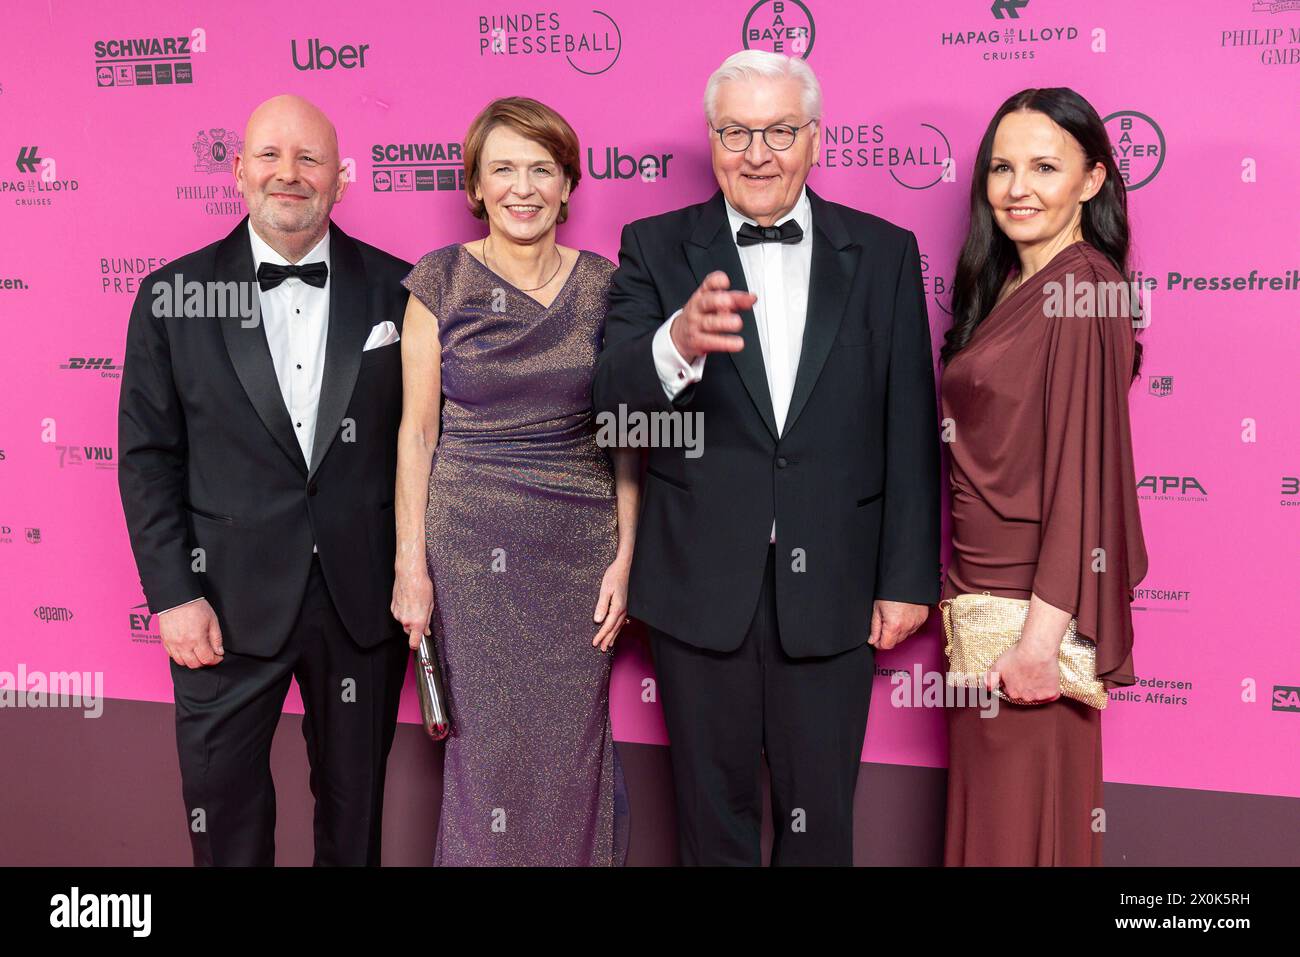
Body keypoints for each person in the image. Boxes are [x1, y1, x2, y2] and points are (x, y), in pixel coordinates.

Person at [592, 51, 940, 866]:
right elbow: (611, 408)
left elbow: (909, 425)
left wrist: (905, 576)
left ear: (815, 139)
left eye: (779, 130)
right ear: (712, 140)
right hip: (698, 588)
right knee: (710, 824)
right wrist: (674, 343)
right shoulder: (655, 245)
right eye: (737, 131)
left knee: (820, 824)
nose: (758, 152)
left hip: (840, 588)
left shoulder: (884, 252)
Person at [117, 94, 413, 866]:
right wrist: (175, 596)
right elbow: (148, 455)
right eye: (272, 156)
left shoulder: (402, 292)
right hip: (222, 605)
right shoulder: (172, 295)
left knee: (356, 823)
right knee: (225, 816)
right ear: (239, 170)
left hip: (362, 605)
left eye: (310, 158)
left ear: (341, 179)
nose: (290, 174)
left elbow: (426, 447)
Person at [391, 96, 634, 866]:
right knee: (485, 760)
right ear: (475, 185)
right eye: (502, 168)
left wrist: (629, 557)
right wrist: (410, 565)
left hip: (580, 552)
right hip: (469, 551)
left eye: (541, 168)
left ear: (568, 184)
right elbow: (417, 429)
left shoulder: (607, 286)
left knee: (573, 754)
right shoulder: (440, 280)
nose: (522, 187)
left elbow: (630, 434)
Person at [939, 87, 1149, 866]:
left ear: (1092, 180)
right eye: (1001, 166)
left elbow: (1082, 479)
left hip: (1028, 620)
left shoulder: (1083, 285)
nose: (1016, 187)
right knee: (996, 835)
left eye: (1044, 166)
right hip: (977, 602)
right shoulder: (1006, 284)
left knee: (1017, 837)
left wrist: (1040, 641)